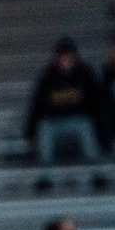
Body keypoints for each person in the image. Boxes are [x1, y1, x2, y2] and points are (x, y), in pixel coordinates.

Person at [26, 37, 106, 167]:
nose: (66, 61)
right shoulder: (47, 77)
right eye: (62, 57)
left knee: (86, 125)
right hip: (55, 122)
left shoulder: (85, 74)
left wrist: (101, 129)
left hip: (78, 119)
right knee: (44, 128)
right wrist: (30, 132)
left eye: (69, 56)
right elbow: (37, 105)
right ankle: (45, 171)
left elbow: (96, 102)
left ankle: (96, 169)